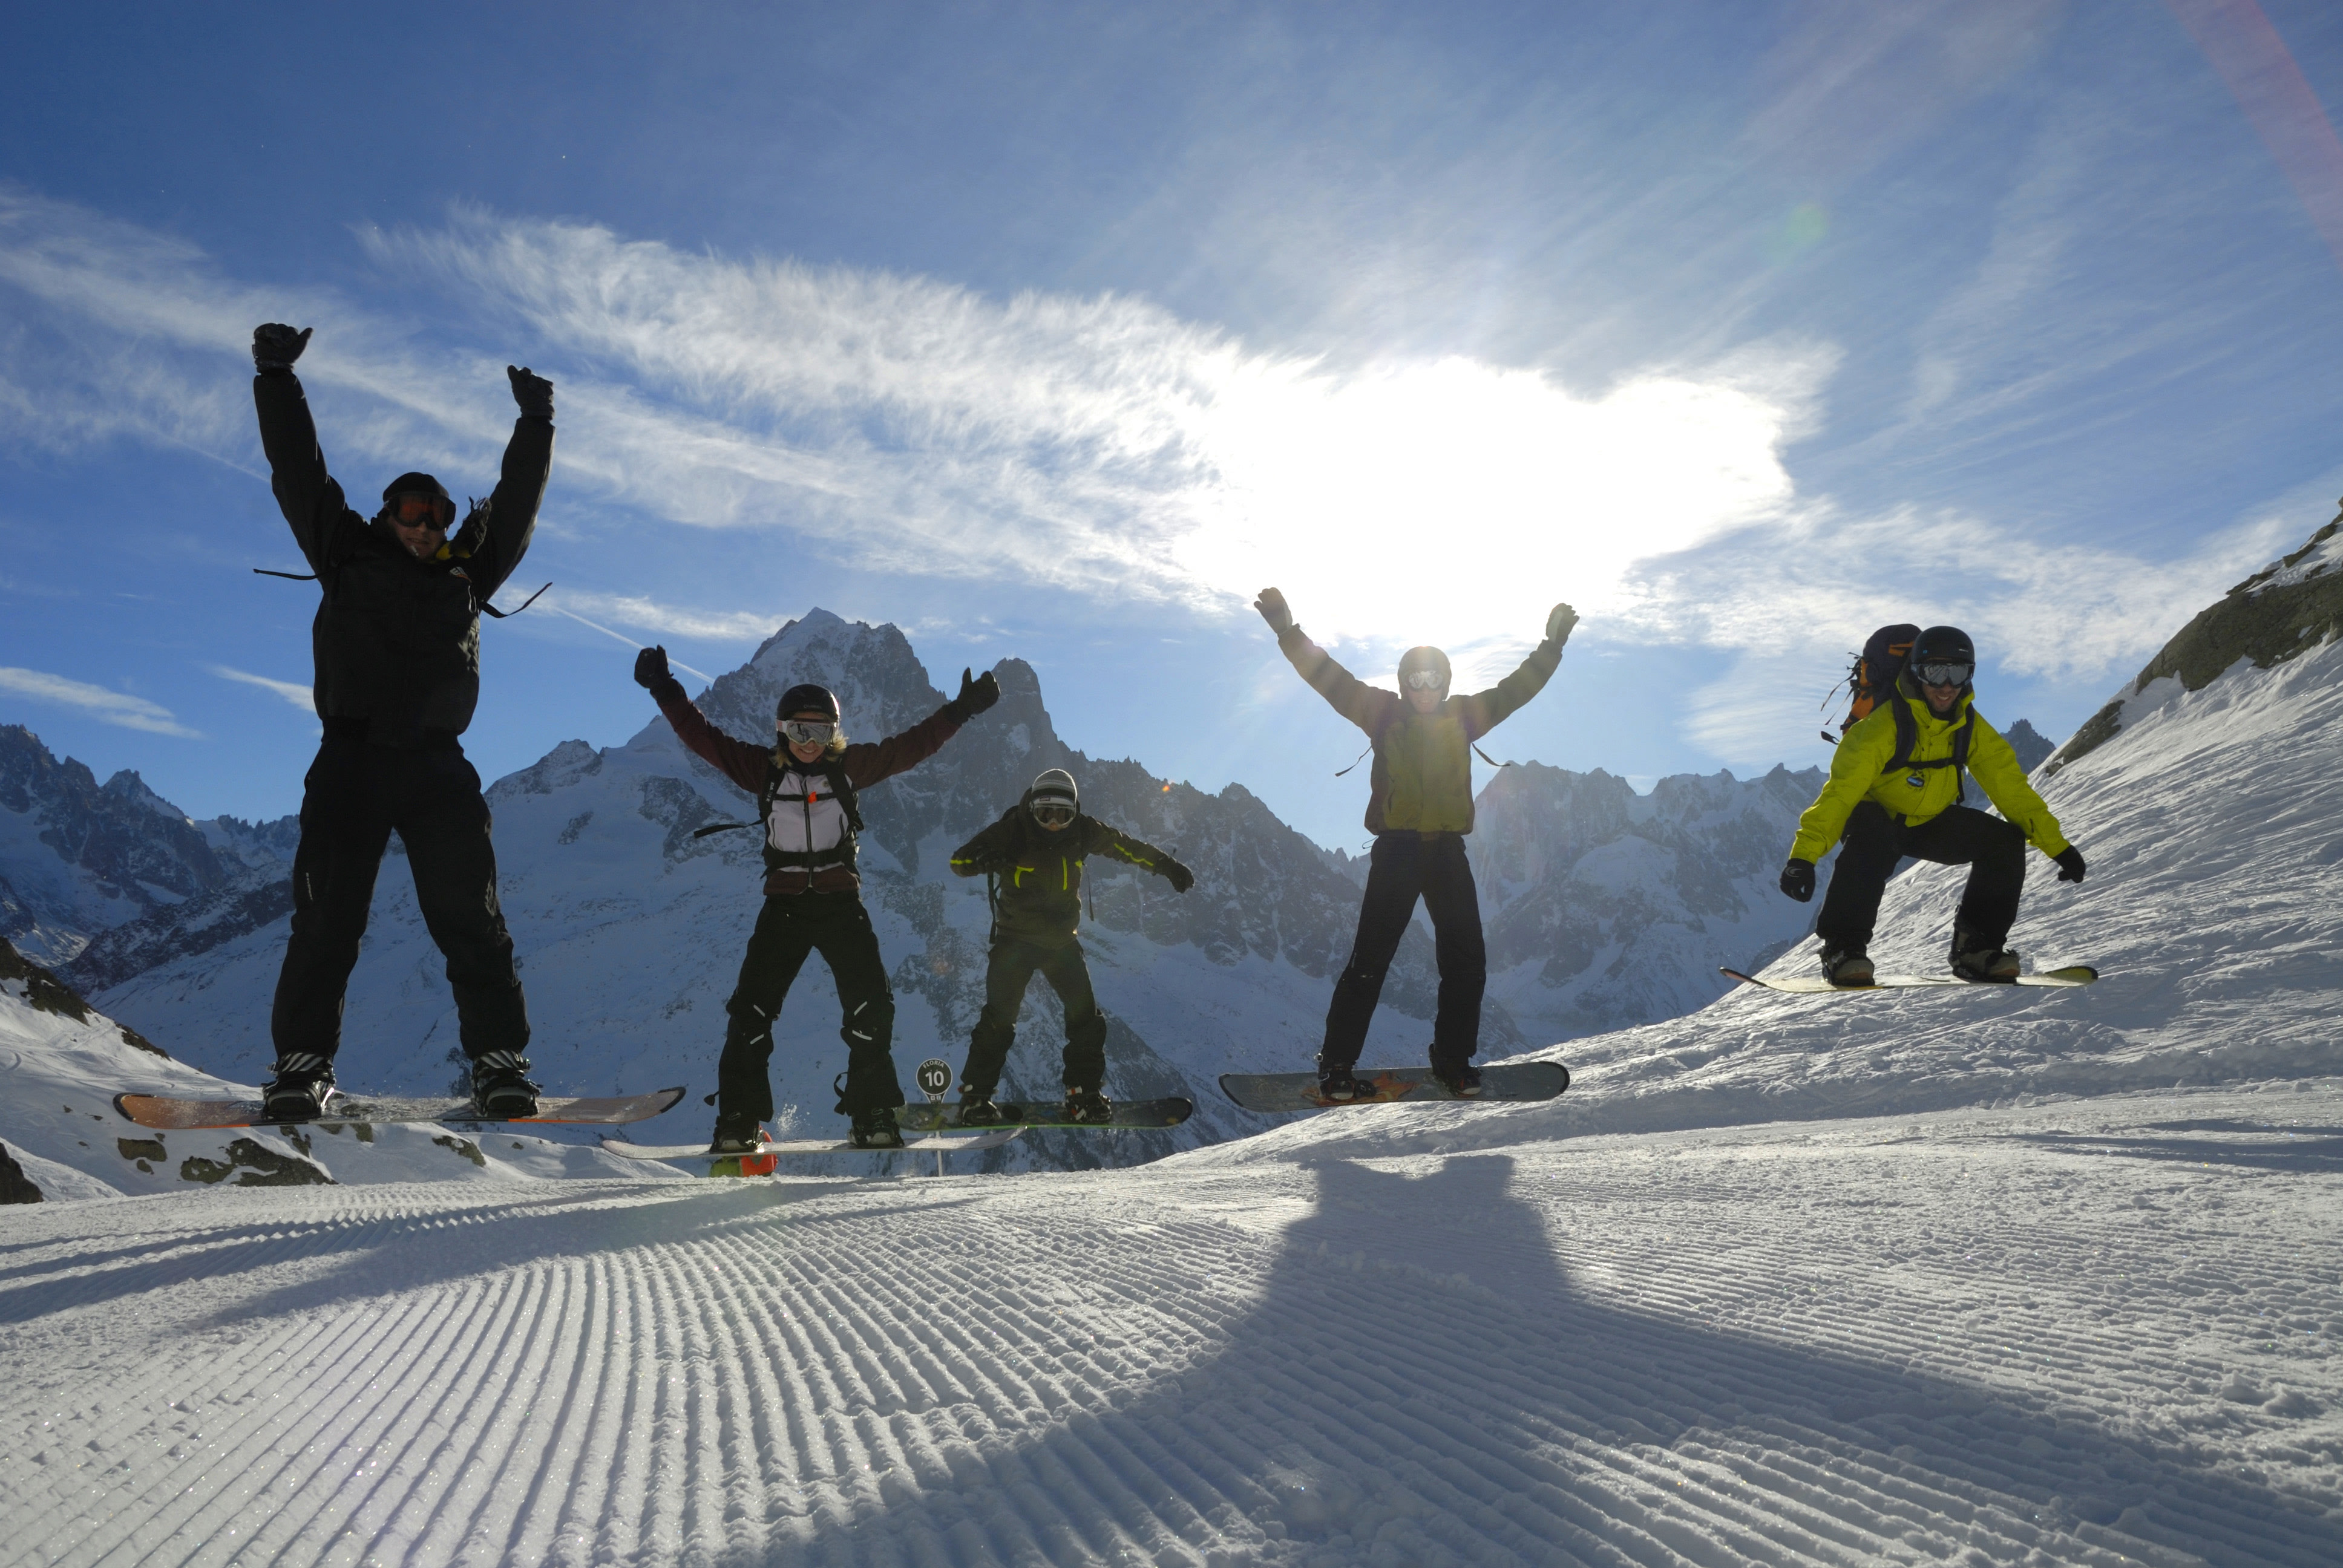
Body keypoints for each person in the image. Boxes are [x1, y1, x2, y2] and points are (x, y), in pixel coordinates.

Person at [250, 322, 555, 1121]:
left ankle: (499, 1064)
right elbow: (297, 470)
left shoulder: (468, 572)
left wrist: (535, 427)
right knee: (327, 920)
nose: (425, 526)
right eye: (411, 511)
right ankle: (301, 1067)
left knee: (472, 919)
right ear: (386, 514)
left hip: (436, 767)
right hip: (351, 759)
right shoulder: (344, 552)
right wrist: (276, 376)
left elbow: (516, 507)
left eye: (438, 514)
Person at [633, 646, 1000, 1149]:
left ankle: (871, 1114)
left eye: (821, 732)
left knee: (872, 1008)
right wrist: (664, 689)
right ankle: (737, 1123)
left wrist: (963, 710)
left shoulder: (849, 769)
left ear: (835, 733)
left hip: (840, 907)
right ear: (782, 730)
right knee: (751, 1014)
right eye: (800, 731)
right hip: (783, 909)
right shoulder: (761, 770)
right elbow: (704, 740)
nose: (810, 743)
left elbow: (912, 746)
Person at [1254, 587, 1576, 1100]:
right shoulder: (1381, 713)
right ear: (1403, 684)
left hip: (1448, 853)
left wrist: (1551, 647)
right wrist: (1287, 630)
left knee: (1466, 960)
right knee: (1370, 961)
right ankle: (1336, 1066)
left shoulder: (1466, 716)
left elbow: (1519, 689)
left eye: (1433, 679)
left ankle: (1452, 1060)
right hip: (1397, 853)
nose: (1424, 687)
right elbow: (1328, 678)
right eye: (1414, 680)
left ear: (1446, 683)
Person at [1778, 624, 2086, 985]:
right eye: (1934, 672)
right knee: (1871, 832)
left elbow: (2012, 791)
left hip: (1929, 820)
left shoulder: (1968, 726)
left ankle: (1976, 949)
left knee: (2002, 840)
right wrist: (1803, 858)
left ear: (1969, 676)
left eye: (1956, 673)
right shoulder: (1881, 727)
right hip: (1878, 817)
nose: (1945, 685)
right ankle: (1843, 950)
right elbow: (1839, 797)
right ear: (1916, 673)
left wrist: (2058, 847)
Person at [947, 768, 1194, 1123]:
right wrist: (982, 860)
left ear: (1074, 813)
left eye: (1063, 815)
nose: (1053, 823)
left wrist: (1167, 866)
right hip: (1014, 942)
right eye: (1046, 813)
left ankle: (1083, 1096)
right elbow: (959, 861)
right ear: (1032, 808)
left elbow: (1127, 848)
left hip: (1061, 943)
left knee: (1086, 1020)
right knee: (999, 1021)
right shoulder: (1011, 829)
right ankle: (975, 1099)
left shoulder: (1084, 831)